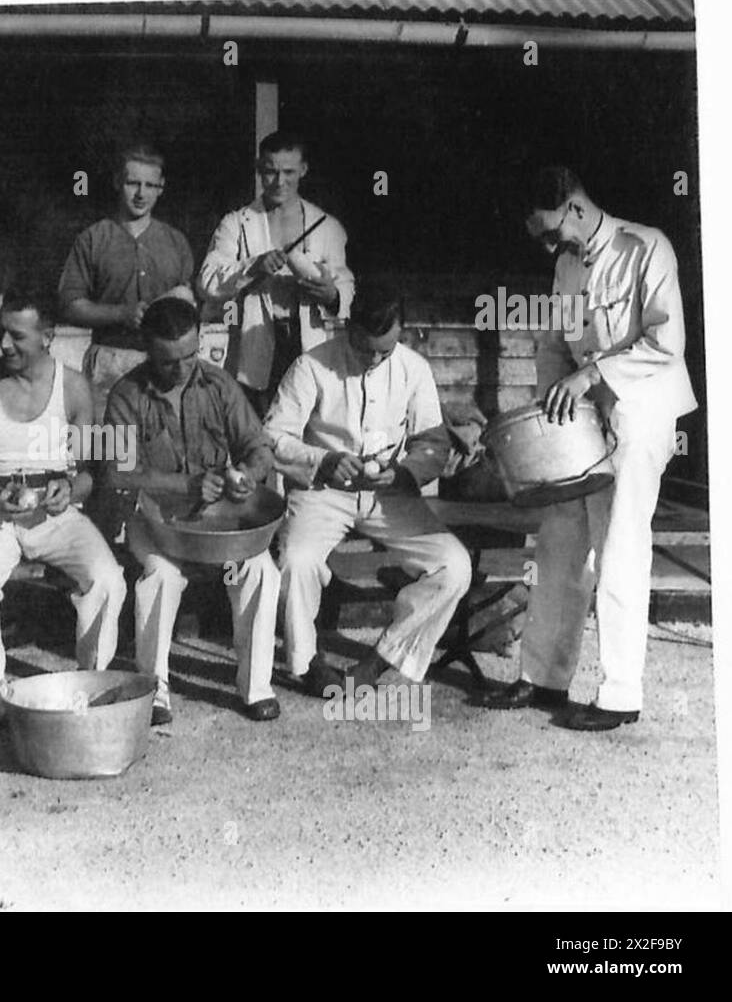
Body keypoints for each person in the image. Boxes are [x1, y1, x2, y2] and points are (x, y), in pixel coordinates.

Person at [475, 167, 698, 730]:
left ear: (574, 207)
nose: (550, 245)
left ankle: (620, 696)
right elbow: (554, 345)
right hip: (583, 423)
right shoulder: (567, 265)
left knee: (619, 546)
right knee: (558, 541)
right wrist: (554, 409)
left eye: (550, 233)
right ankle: (543, 677)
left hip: (640, 413)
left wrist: (591, 377)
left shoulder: (646, 248)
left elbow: (667, 342)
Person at [265, 285, 470, 694]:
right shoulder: (312, 366)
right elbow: (272, 436)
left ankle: (379, 662)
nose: (375, 360)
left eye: (385, 351)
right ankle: (305, 664)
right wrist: (321, 459)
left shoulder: (414, 368)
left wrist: (404, 473)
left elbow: (434, 443)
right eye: (365, 350)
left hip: (390, 495)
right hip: (324, 490)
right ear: (348, 328)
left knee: (455, 567)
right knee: (297, 560)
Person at [103, 298, 281, 725]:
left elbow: (257, 446)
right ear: (148, 350)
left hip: (217, 521)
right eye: (168, 362)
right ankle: (154, 691)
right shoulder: (126, 395)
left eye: (190, 355)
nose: (182, 369)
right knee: (161, 578)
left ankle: (256, 687)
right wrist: (186, 484)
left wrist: (247, 475)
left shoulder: (219, 385)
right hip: (157, 521)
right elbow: (116, 474)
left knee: (259, 570)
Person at [0, 290, 127, 694]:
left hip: (53, 514)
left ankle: (90, 681)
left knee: (108, 579)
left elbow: (88, 473)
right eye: (0, 334)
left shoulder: (74, 387)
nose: (3, 344)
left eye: (16, 336)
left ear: (47, 335)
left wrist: (68, 490)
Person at [199, 131, 355, 417]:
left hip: (307, 339)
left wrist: (331, 295)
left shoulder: (326, 226)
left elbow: (345, 286)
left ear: (303, 170)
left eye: (288, 172)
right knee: (256, 426)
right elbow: (208, 280)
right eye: (270, 172)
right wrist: (252, 266)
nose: (279, 181)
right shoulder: (237, 223)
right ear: (259, 169)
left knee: (308, 424)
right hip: (254, 344)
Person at [59, 144, 195, 403]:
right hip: (110, 360)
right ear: (117, 182)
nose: (141, 194)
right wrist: (122, 313)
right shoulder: (93, 238)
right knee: (112, 441)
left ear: (161, 188)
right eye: (133, 183)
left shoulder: (176, 241)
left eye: (150, 185)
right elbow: (70, 305)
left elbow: (190, 304)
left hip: (165, 362)